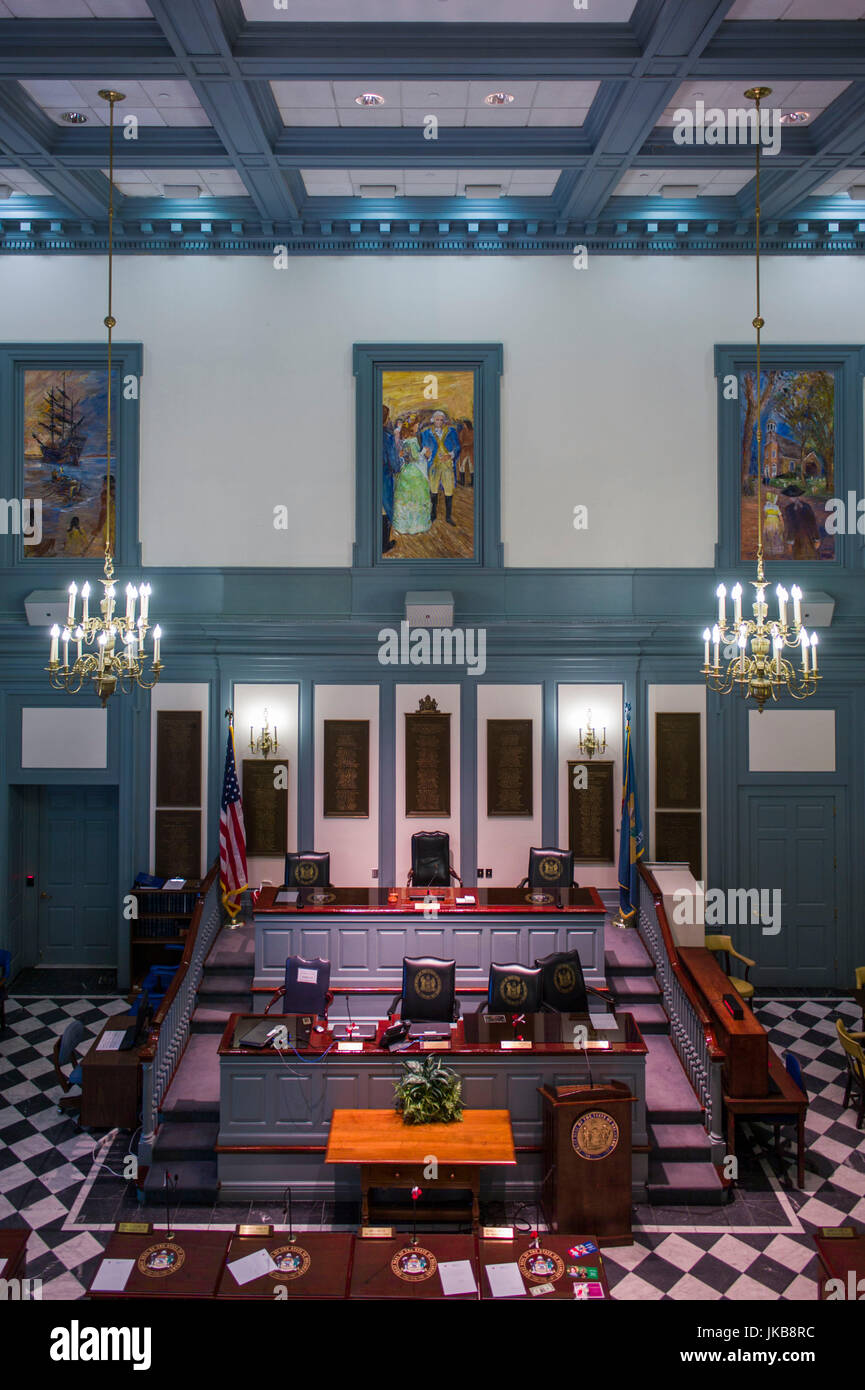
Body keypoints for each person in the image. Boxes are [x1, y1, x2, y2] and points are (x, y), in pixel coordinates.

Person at [419, 409, 461, 526]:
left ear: (444, 421)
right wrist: (426, 453)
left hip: (447, 465)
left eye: (441, 420)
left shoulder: (451, 431)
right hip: (434, 464)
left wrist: (450, 455)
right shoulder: (426, 433)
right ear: (433, 420)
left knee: (449, 489)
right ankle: (433, 515)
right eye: (437, 420)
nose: (439, 422)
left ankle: (448, 517)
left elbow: (457, 447)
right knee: (433, 489)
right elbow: (424, 448)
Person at [392, 416, 431, 535]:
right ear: (411, 426)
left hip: (406, 471)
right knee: (417, 498)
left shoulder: (405, 438)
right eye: (416, 425)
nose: (417, 427)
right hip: (414, 472)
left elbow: (405, 455)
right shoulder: (412, 439)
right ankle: (416, 526)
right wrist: (425, 452)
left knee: (406, 499)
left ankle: (404, 526)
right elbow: (415, 457)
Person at [781, 484, 820, 559]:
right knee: (810, 556)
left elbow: (791, 526)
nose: (789, 498)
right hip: (809, 536)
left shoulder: (789, 509)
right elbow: (813, 523)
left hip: (798, 537)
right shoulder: (807, 506)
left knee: (800, 556)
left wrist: (790, 542)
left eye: (790, 496)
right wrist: (817, 538)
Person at [382, 405, 398, 554]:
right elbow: (394, 463)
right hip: (384, 477)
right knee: (385, 510)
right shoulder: (387, 437)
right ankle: (384, 545)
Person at [762, 490, 784, 556]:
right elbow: (780, 516)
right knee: (775, 534)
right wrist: (782, 522)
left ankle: (769, 549)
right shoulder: (776, 507)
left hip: (768, 522)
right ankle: (776, 550)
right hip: (775, 521)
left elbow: (765, 515)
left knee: (769, 534)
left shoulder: (766, 506)